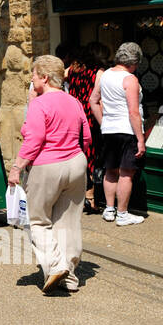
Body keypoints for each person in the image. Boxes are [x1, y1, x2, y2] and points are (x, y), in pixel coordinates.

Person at [8, 55, 91, 293]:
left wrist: (17, 168)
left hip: (47, 166)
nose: (31, 79)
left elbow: (34, 138)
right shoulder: (73, 101)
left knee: (38, 220)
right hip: (76, 163)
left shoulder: (39, 104)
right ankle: (70, 277)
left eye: (33, 75)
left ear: (44, 78)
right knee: (68, 223)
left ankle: (56, 266)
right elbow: (86, 138)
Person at [90, 41, 146, 226]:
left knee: (110, 171)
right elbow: (133, 112)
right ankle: (122, 214)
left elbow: (93, 100)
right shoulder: (130, 79)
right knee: (126, 173)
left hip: (109, 131)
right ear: (134, 62)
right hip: (127, 130)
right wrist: (140, 139)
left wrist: (104, 122)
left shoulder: (105, 75)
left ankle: (109, 209)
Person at [65, 42, 102, 213]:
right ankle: (90, 198)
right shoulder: (98, 73)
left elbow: (60, 75)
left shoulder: (72, 71)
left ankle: (78, 197)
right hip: (91, 119)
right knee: (91, 159)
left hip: (74, 117)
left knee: (78, 157)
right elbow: (99, 98)